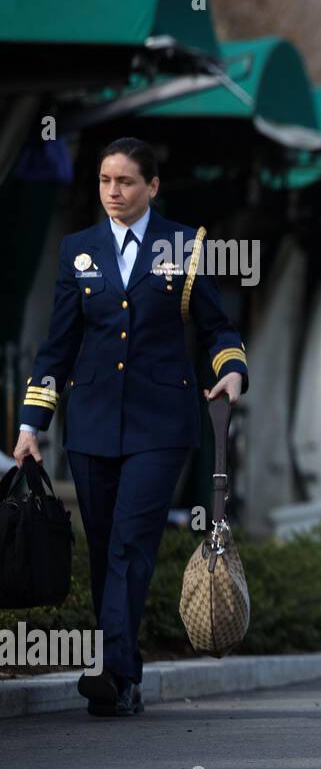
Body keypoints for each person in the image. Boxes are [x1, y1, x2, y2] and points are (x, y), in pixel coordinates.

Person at [12, 136, 249, 716]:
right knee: (103, 550)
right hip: (91, 424)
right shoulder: (78, 249)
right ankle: (126, 676)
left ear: (152, 187)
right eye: (104, 181)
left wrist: (233, 370)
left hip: (161, 424)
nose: (113, 192)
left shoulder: (186, 245)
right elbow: (56, 348)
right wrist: (29, 423)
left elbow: (217, 327)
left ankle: (109, 669)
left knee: (130, 542)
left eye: (125, 182)